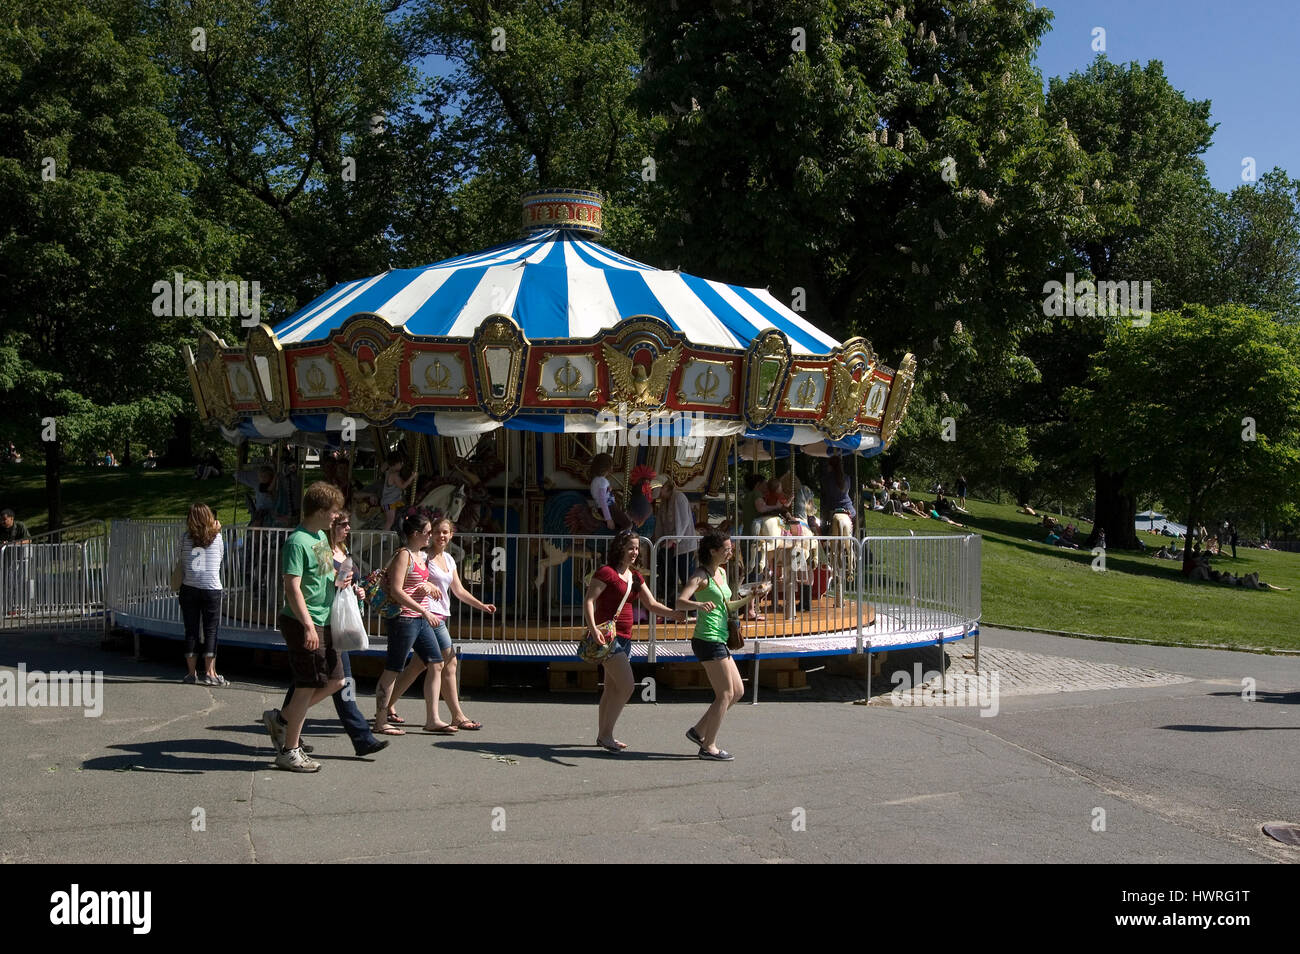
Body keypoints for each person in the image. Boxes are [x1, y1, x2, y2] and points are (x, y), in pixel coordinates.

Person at [264, 514, 390, 758]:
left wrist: (358, 590)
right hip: (322, 620)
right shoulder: (317, 545)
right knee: (321, 681)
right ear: (331, 526)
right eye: (343, 525)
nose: (348, 528)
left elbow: (339, 583)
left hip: (337, 622)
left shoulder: (339, 549)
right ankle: (289, 725)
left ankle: (288, 723)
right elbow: (312, 585)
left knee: (330, 681)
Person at [262, 481, 348, 772]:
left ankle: (283, 720)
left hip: (324, 620)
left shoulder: (321, 538)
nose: (337, 517)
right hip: (304, 622)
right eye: (334, 511)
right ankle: (290, 750)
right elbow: (292, 588)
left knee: (337, 681)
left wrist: (343, 582)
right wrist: (309, 626)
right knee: (306, 685)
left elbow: (326, 576)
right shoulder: (297, 542)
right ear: (322, 510)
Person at [387, 517, 496, 732]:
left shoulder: (449, 559)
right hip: (428, 614)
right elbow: (412, 577)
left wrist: (481, 605)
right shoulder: (422, 556)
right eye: (436, 532)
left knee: (417, 665)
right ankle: (457, 715)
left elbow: (458, 590)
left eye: (445, 532)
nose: (441, 536)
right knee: (449, 662)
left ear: (452, 534)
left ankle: (387, 705)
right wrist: (425, 584)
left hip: (440, 615)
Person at [582, 528, 685, 752]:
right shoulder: (606, 573)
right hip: (609, 637)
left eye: (637, 548)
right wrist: (593, 629)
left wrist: (674, 614)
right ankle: (607, 734)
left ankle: (603, 735)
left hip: (626, 638)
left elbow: (652, 604)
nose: (635, 552)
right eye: (631, 548)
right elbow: (589, 601)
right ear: (620, 548)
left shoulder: (635, 577)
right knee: (627, 686)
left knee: (610, 689)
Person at [675, 531, 769, 761]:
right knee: (725, 693)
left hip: (720, 636)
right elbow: (680, 601)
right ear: (713, 551)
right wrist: (698, 605)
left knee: (738, 691)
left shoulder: (722, 573)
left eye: (730, 548)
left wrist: (751, 597)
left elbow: (729, 604)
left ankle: (698, 731)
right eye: (726, 549)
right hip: (707, 639)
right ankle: (709, 746)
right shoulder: (701, 575)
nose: (730, 552)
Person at [373, 514, 451, 735]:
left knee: (436, 663)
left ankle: (433, 718)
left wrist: (427, 586)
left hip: (420, 618)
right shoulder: (403, 555)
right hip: (404, 619)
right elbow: (397, 591)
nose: (431, 536)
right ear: (416, 534)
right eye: (427, 532)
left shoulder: (421, 556)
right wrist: (424, 610)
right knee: (393, 669)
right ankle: (380, 720)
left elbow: (414, 582)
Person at [177, 504, 227, 685]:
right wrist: (216, 530)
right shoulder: (217, 538)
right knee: (211, 630)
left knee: (191, 630)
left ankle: (191, 673)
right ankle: (210, 673)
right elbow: (220, 558)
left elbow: (182, 559)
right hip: (211, 588)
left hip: (189, 586)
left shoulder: (185, 538)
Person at [654, 476, 699, 607]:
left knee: (687, 578)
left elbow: (683, 520)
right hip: (671, 545)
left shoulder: (679, 497)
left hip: (684, 545)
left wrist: (674, 539)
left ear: (666, 487)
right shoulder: (664, 502)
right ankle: (671, 606)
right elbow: (660, 524)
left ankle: (692, 608)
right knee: (670, 576)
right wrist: (658, 540)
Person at [589, 453, 631, 531]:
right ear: (607, 467)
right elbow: (603, 501)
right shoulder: (603, 481)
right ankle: (620, 542)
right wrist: (608, 519)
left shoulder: (594, 480)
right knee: (628, 524)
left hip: (601, 508)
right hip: (609, 508)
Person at [380, 453, 415, 531]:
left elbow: (383, 467)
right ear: (395, 464)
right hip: (389, 503)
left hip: (392, 501)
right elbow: (402, 486)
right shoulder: (394, 475)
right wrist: (412, 478)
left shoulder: (388, 472)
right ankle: (383, 538)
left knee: (405, 509)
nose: (402, 465)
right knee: (390, 521)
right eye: (400, 463)